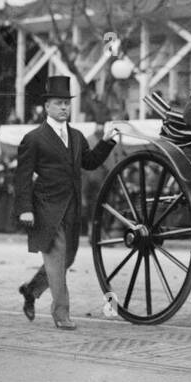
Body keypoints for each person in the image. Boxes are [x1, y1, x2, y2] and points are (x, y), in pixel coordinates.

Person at [15, 76, 119, 329]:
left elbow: (91, 162)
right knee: (56, 259)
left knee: (67, 259)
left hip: (72, 208)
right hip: (45, 209)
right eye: (59, 103)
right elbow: (22, 177)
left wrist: (107, 141)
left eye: (67, 103)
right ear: (47, 107)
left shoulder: (76, 136)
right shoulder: (34, 138)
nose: (64, 108)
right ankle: (61, 314)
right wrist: (25, 209)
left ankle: (31, 290)